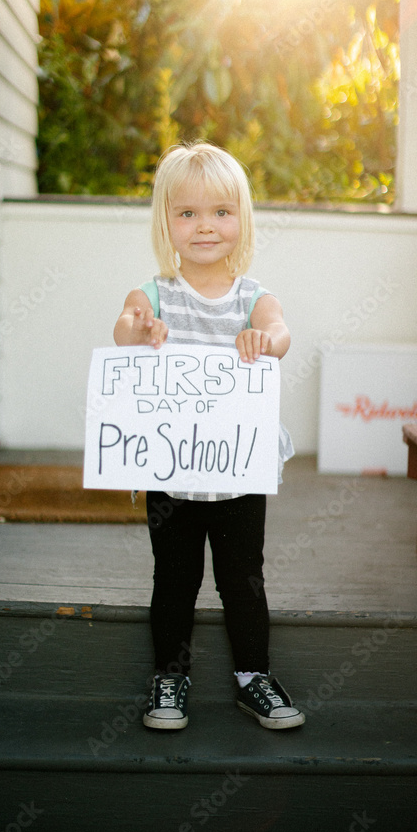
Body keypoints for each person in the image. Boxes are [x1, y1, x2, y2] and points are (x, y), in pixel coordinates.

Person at [113, 142, 304, 731]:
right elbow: (123, 329)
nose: (205, 226)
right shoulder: (154, 296)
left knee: (243, 576)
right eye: (188, 213)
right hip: (172, 470)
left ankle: (254, 679)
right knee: (174, 578)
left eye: (221, 211)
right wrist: (138, 329)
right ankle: (169, 677)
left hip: (238, 470)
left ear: (241, 219)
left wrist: (265, 341)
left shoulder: (255, 299)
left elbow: (280, 332)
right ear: (166, 222)